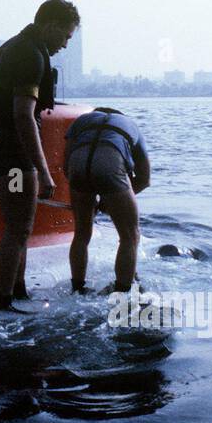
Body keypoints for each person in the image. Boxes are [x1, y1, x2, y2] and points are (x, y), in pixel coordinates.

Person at [0, 0, 79, 312]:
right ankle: (3, 302)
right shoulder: (31, 56)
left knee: (20, 225)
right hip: (12, 152)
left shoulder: (12, 47)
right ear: (50, 26)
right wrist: (44, 170)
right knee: (17, 228)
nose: (65, 44)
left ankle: (17, 292)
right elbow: (24, 116)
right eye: (65, 36)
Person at [64, 107, 150, 294]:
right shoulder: (130, 125)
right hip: (109, 160)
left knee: (81, 233)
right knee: (130, 235)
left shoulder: (81, 121)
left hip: (77, 163)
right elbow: (144, 178)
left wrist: (91, 198)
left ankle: (77, 288)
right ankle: (123, 291)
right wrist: (109, 200)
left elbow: (66, 165)